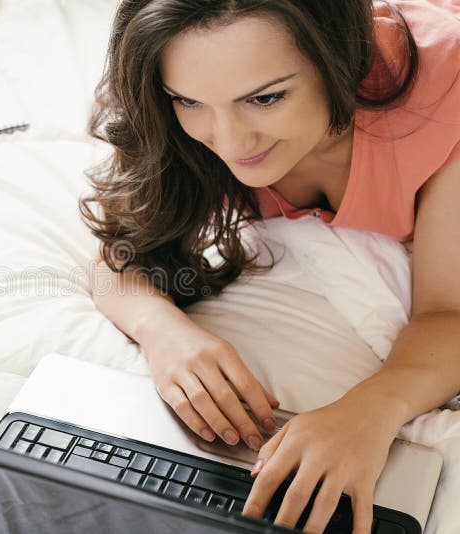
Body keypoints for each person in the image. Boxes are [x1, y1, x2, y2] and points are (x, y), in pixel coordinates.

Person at [80, 0, 460, 532]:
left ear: (340, 61)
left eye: (266, 98)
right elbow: (116, 255)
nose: (230, 142)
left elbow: (447, 312)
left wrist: (368, 410)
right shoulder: (180, 119)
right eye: (189, 100)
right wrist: (164, 332)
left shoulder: (447, 101)